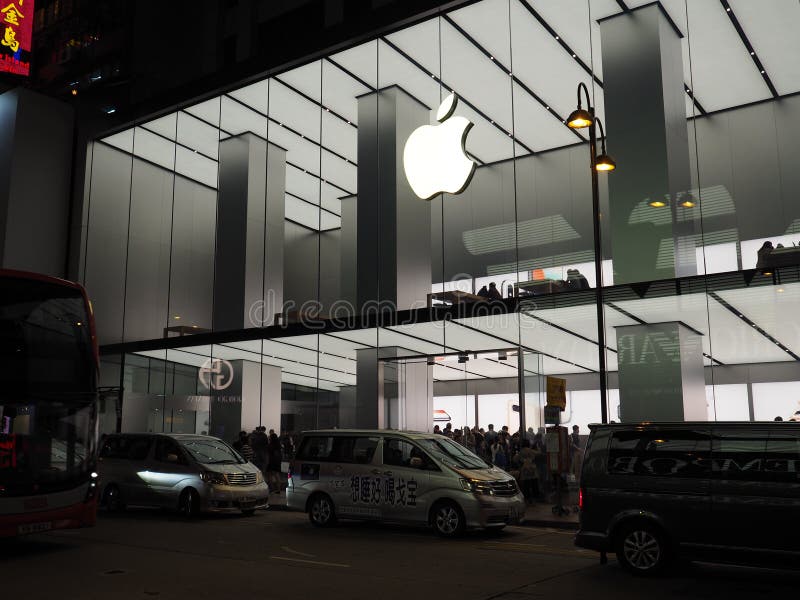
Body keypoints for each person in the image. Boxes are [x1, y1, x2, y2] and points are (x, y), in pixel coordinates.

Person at [514, 439, 540, 503]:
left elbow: (515, 459)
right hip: (533, 469)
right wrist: (538, 447)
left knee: (526, 485)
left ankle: (527, 498)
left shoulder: (521, 451)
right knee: (534, 484)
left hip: (525, 469)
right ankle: (535, 498)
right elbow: (539, 453)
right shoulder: (531, 451)